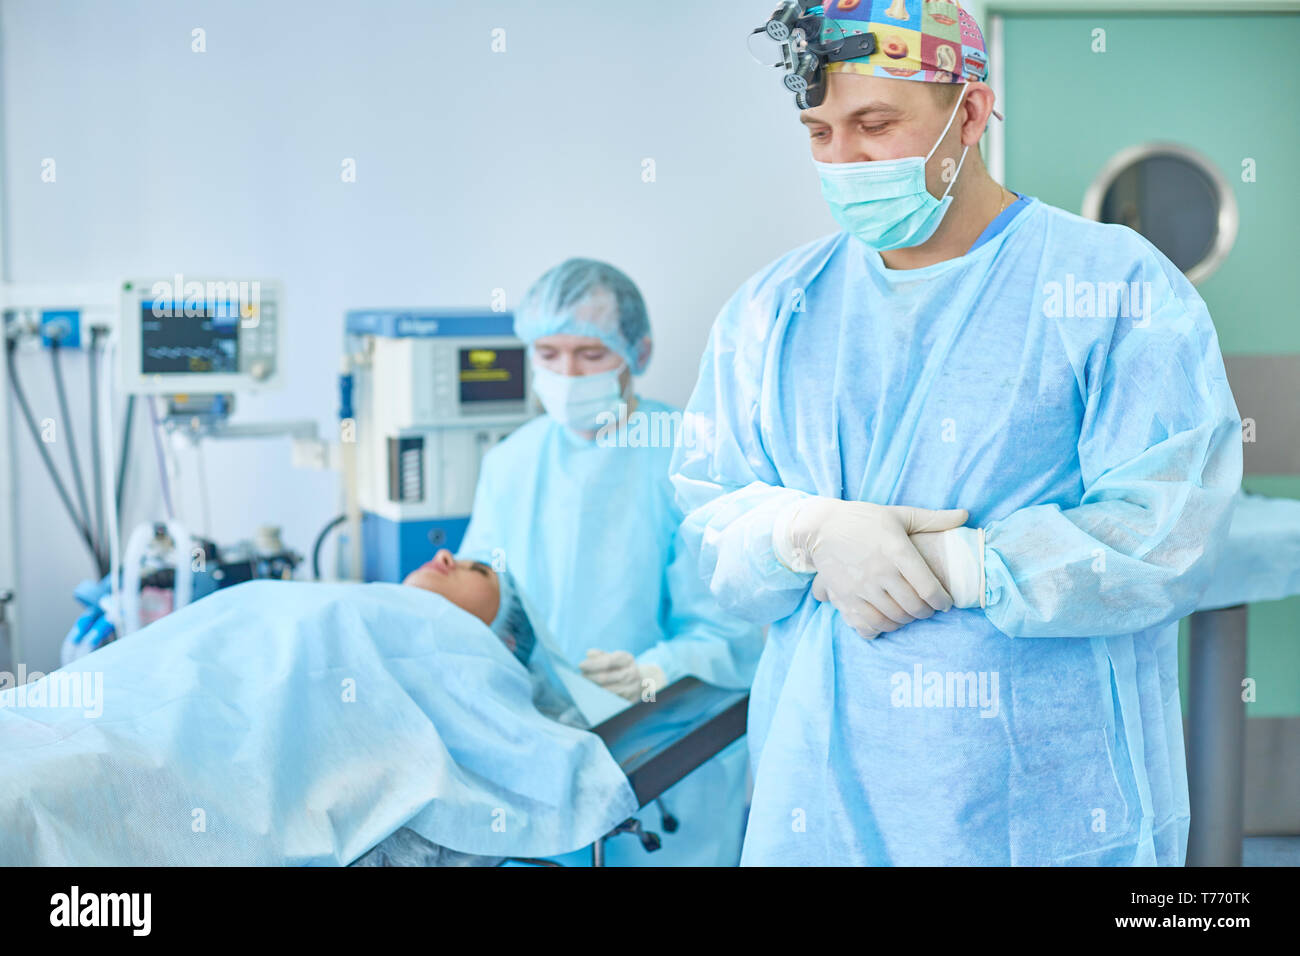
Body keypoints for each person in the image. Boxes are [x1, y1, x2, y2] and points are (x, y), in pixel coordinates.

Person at [670, 0, 1242, 866]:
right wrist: (800, 533)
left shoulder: (1111, 286)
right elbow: (709, 525)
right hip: (822, 796)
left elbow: (1170, 531)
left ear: (969, 113)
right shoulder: (771, 310)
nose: (843, 159)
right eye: (818, 131)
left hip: (1042, 797)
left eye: (874, 124)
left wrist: (968, 566)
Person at [0, 554, 641, 865]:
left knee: (48, 793)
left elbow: (519, 742)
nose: (448, 556)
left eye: (477, 569)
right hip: (111, 695)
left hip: (158, 750)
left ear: (501, 634)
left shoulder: (461, 653)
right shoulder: (344, 597)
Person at [458, 258, 764, 866]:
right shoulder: (510, 463)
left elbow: (734, 633)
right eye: (548, 353)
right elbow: (480, 602)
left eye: (590, 354)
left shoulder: (689, 461)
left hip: (668, 757)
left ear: (637, 352)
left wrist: (653, 674)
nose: (567, 373)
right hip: (539, 755)